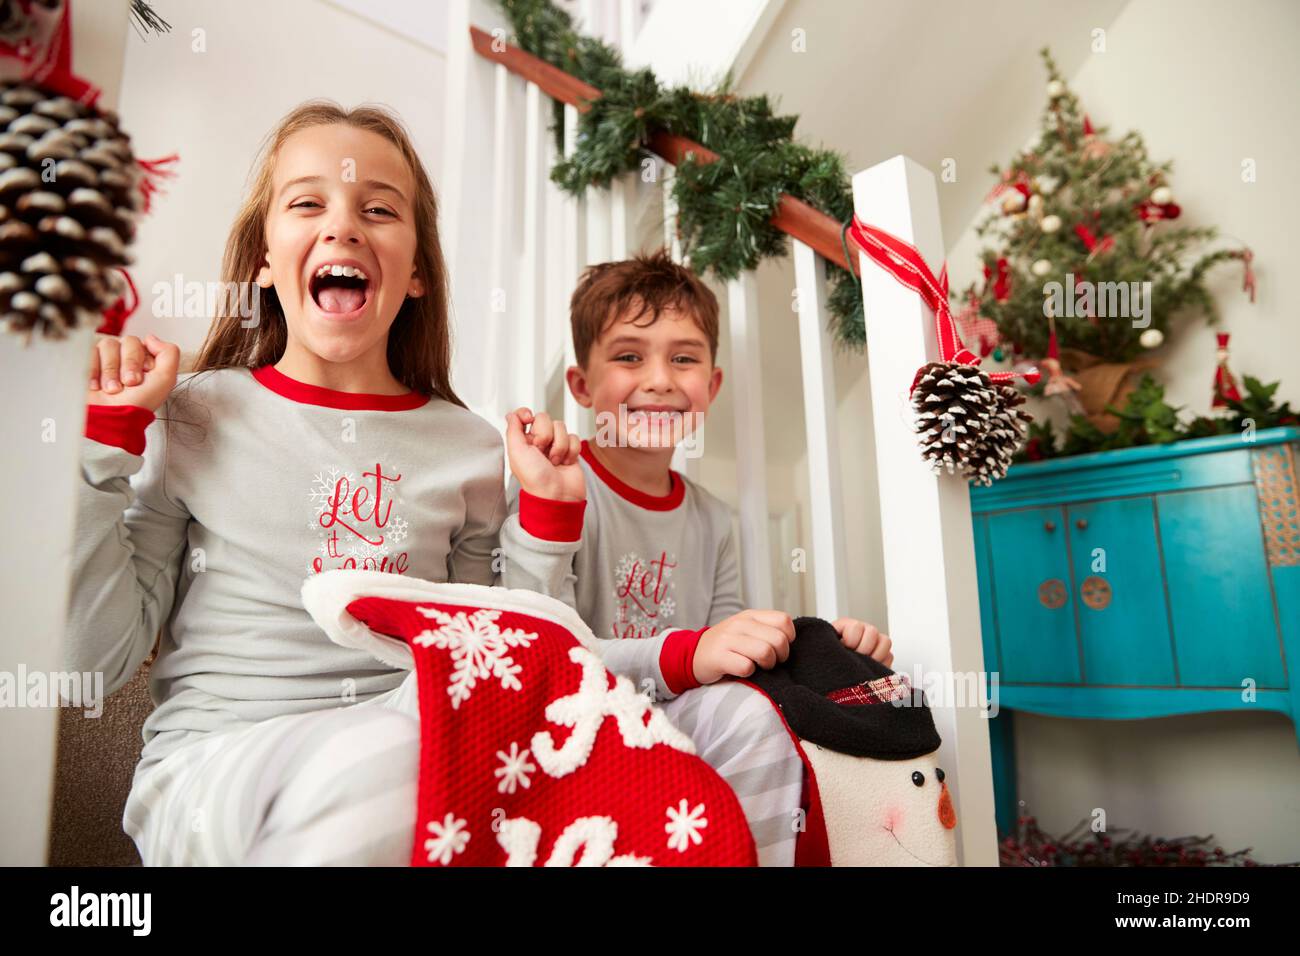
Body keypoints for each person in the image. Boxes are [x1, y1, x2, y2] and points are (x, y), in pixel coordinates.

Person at [67, 101, 586, 865]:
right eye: (307, 202)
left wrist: (545, 522)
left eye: (378, 209)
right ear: (264, 263)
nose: (343, 226)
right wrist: (104, 445)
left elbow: (496, 671)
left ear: (416, 274)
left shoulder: (471, 448)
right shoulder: (193, 416)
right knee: (400, 770)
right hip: (217, 774)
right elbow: (89, 663)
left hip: (415, 759)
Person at [506, 249, 894, 866]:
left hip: (682, 717)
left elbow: (729, 652)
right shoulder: (557, 483)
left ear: (710, 387)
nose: (660, 379)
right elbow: (546, 652)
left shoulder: (713, 518)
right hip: (578, 723)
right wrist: (690, 654)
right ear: (581, 384)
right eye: (629, 356)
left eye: (683, 359)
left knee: (760, 708)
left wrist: (824, 650)